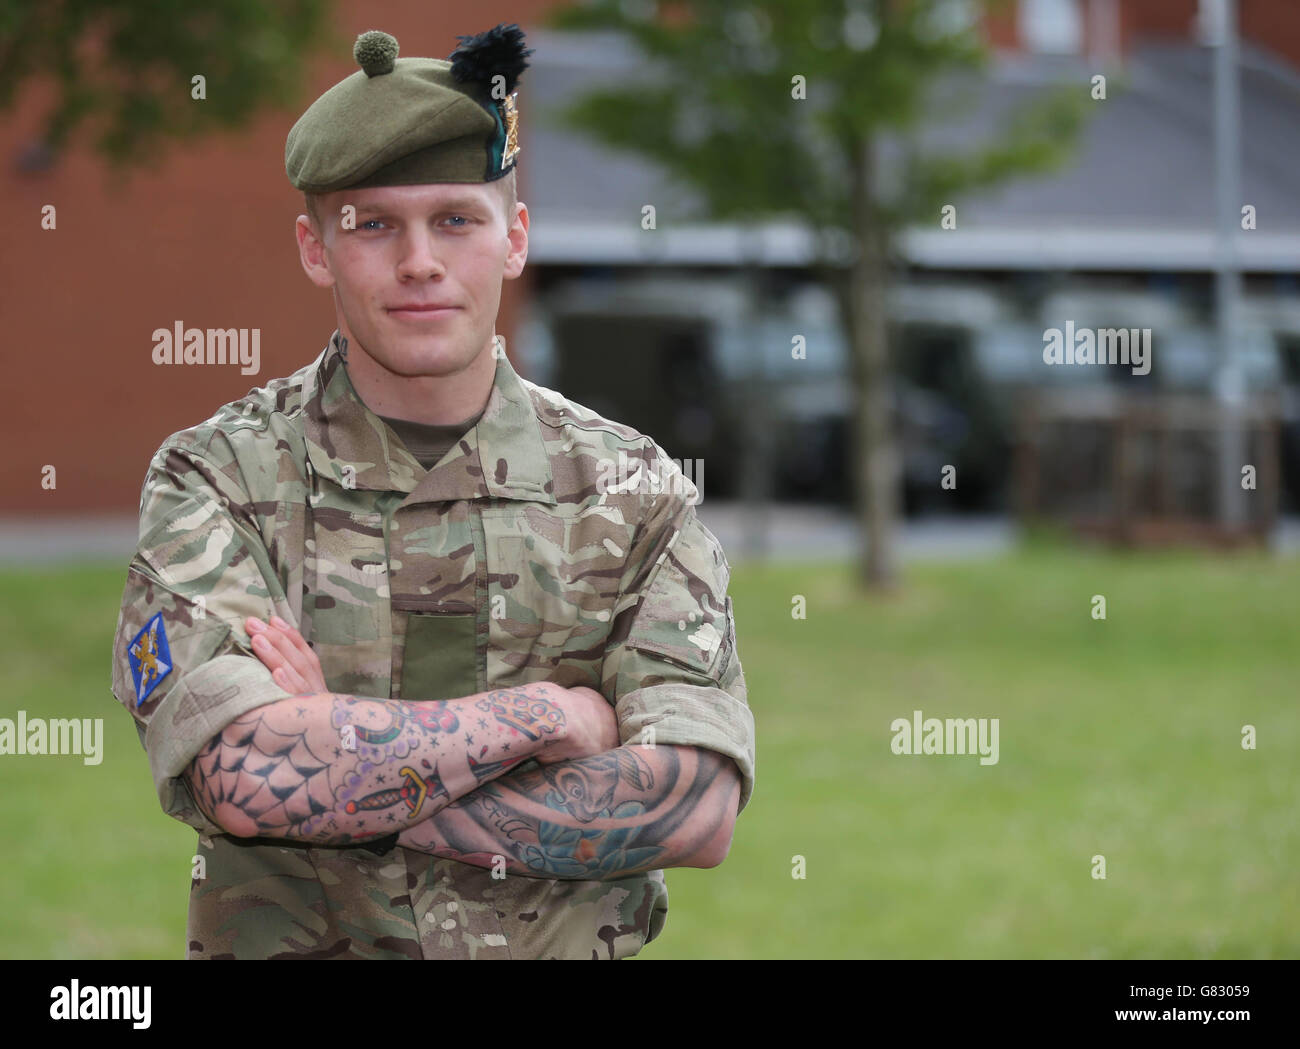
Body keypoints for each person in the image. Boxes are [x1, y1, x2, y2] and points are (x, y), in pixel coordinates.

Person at [109, 24, 755, 960]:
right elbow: (242, 777)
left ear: (515, 239)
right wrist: (549, 717)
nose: (419, 261)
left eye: (456, 219)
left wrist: (338, 758)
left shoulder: (632, 491)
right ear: (316, 248)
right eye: (373, 224)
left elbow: (695, 807)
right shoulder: (219, 477)